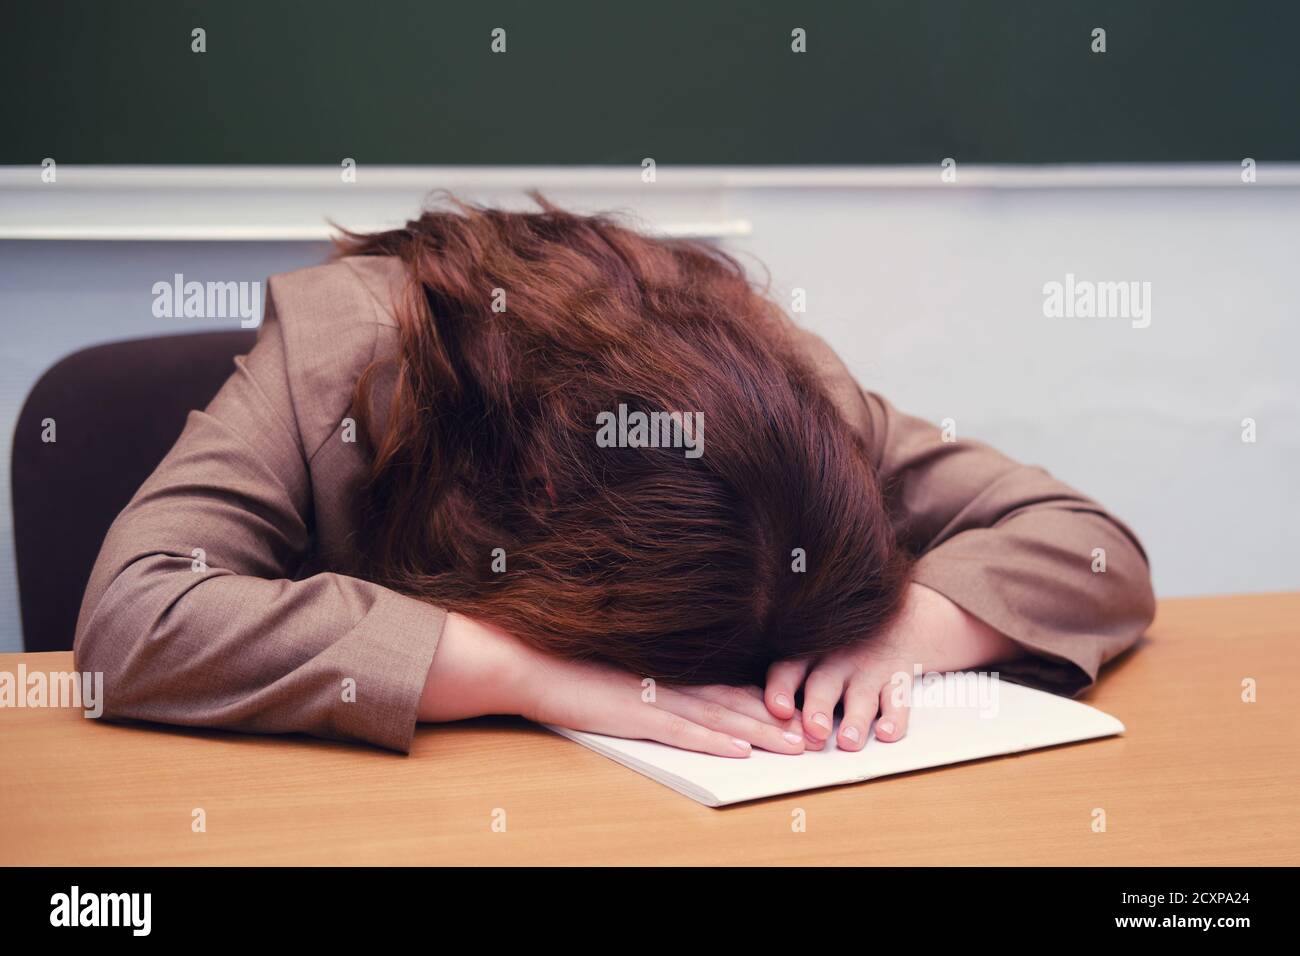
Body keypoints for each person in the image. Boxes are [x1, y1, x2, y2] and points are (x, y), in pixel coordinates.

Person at [74, 195, 1155, 758]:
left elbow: (1084, 538)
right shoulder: (342, 350)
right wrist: (517, 672)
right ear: (541, 511)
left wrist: (905, 630)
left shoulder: (784, 392)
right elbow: (133, 615)